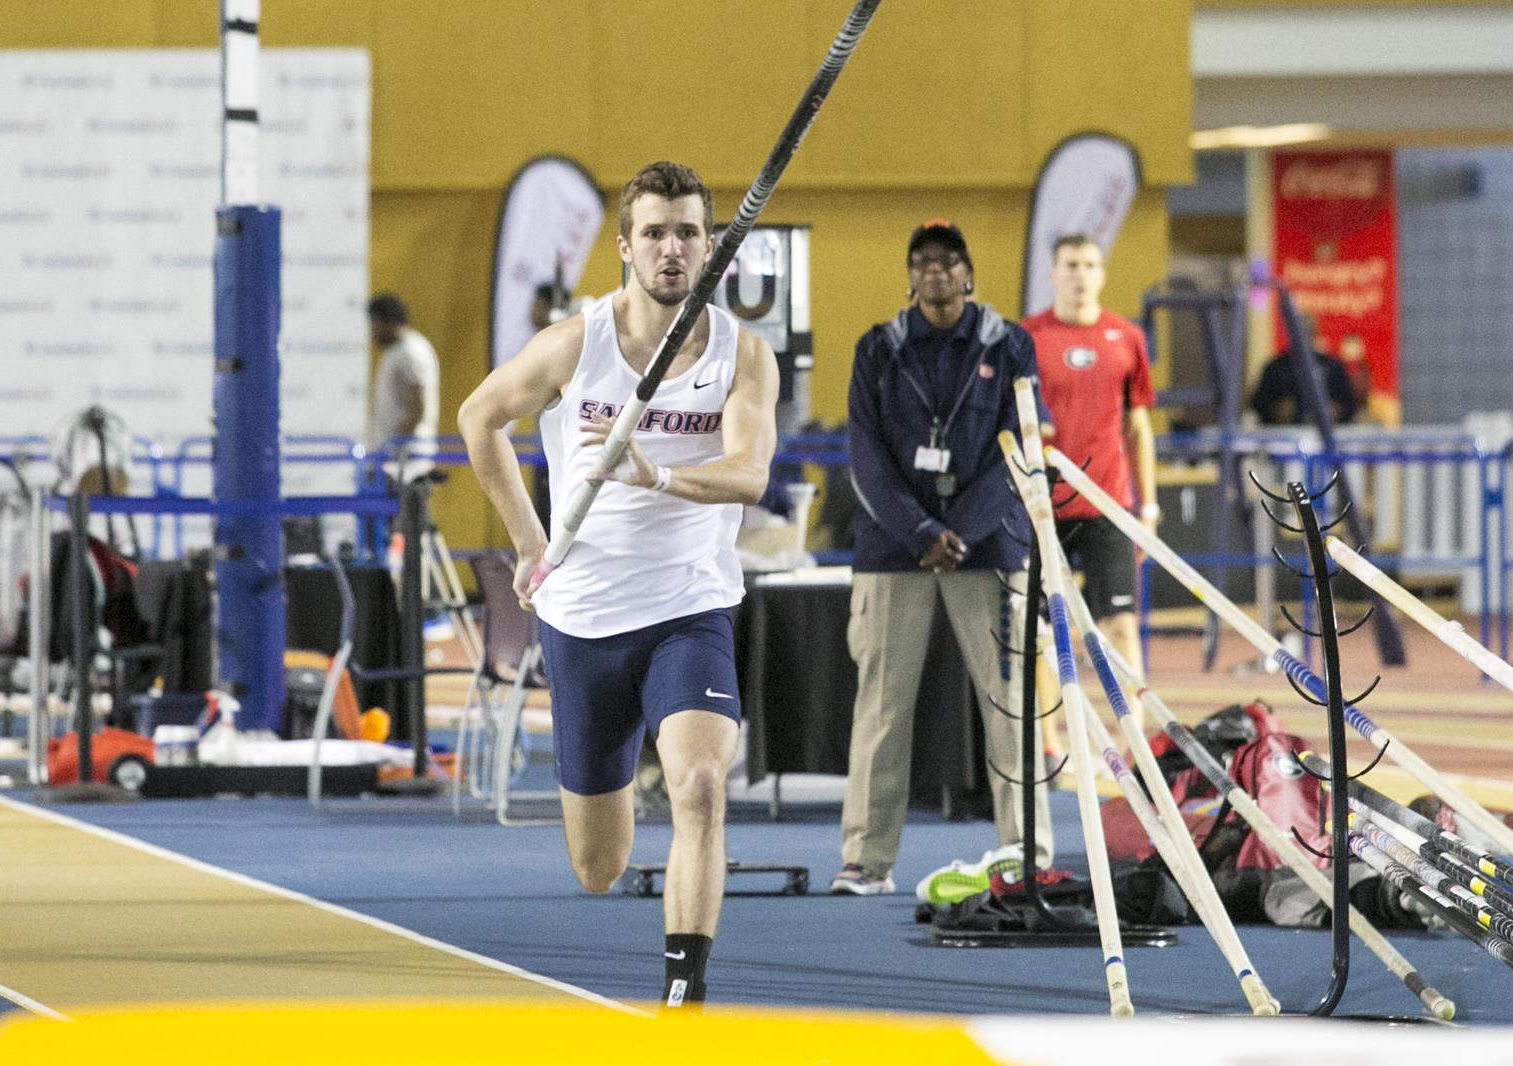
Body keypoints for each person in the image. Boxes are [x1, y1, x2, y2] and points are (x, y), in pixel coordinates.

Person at [457, 161, 778, 1008]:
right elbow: (478, 418)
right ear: (626, 248)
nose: (672, 248)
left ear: (710, 248)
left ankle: (683, 997)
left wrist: (656, 475)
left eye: (687, 233)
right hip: (585, 619)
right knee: (598, 866)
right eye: (655, 233)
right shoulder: (576, 344)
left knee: (701, 789)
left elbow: (749, 475)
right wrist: (528, 540)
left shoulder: (743, 355)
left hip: (689, 610)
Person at [832, 219, 1054, 896]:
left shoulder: (1010, 345)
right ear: (910, 277)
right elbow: (865, 456)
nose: (936, 271)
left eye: (949, 261)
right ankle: (866, 860)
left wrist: (961, 528)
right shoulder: (878, 349)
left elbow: (1022, 442)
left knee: (1010, 704)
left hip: (988, 548)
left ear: (969, 275)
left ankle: (1027, 852)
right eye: (923, 261)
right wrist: (922, 531)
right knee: (881, 709)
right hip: (895, 551)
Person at [1022, 233, 1157, 690]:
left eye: (1089, 265)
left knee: (1121, 625)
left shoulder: (1127, 338)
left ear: (1102, 274)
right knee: (1041, 634)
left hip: (1107, 504)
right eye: (1071, 265)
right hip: (1042, 506)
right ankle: (1047, 732)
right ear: (1053, 274)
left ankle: (1133, 725)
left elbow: (1138, 428)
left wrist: (1149, 507)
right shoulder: (1026, 338)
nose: (1080, 275)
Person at [368, 293, 441, 482]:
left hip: (408, 459)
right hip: (397, 456)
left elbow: (418, 408)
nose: (371, 332)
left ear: (386, 321)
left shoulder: (412, 352)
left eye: (373, 325)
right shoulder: (396, 351)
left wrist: (393, 448)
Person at [1248, 343, 1361, 427]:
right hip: (1284, 435)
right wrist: (1274, 411)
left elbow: (1350, 404)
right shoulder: (1275, 367)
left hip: (1325, 435)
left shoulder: (1331, 366)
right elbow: (1258, 404)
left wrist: (1337, 411)